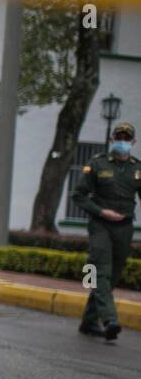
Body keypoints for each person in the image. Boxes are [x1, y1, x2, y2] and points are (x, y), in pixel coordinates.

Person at [73, 121, 139, 341]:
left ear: (133, 142)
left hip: (124, 228)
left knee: (112, 276)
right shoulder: (98, 164)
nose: (122, 142)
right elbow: (79, 195)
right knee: (100, 270)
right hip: (100, 225)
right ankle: (110, 320)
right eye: (118, 138)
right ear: (112, 140)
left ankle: (89, 322)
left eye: (126, 139)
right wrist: (101, 211)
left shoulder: (137, 169)